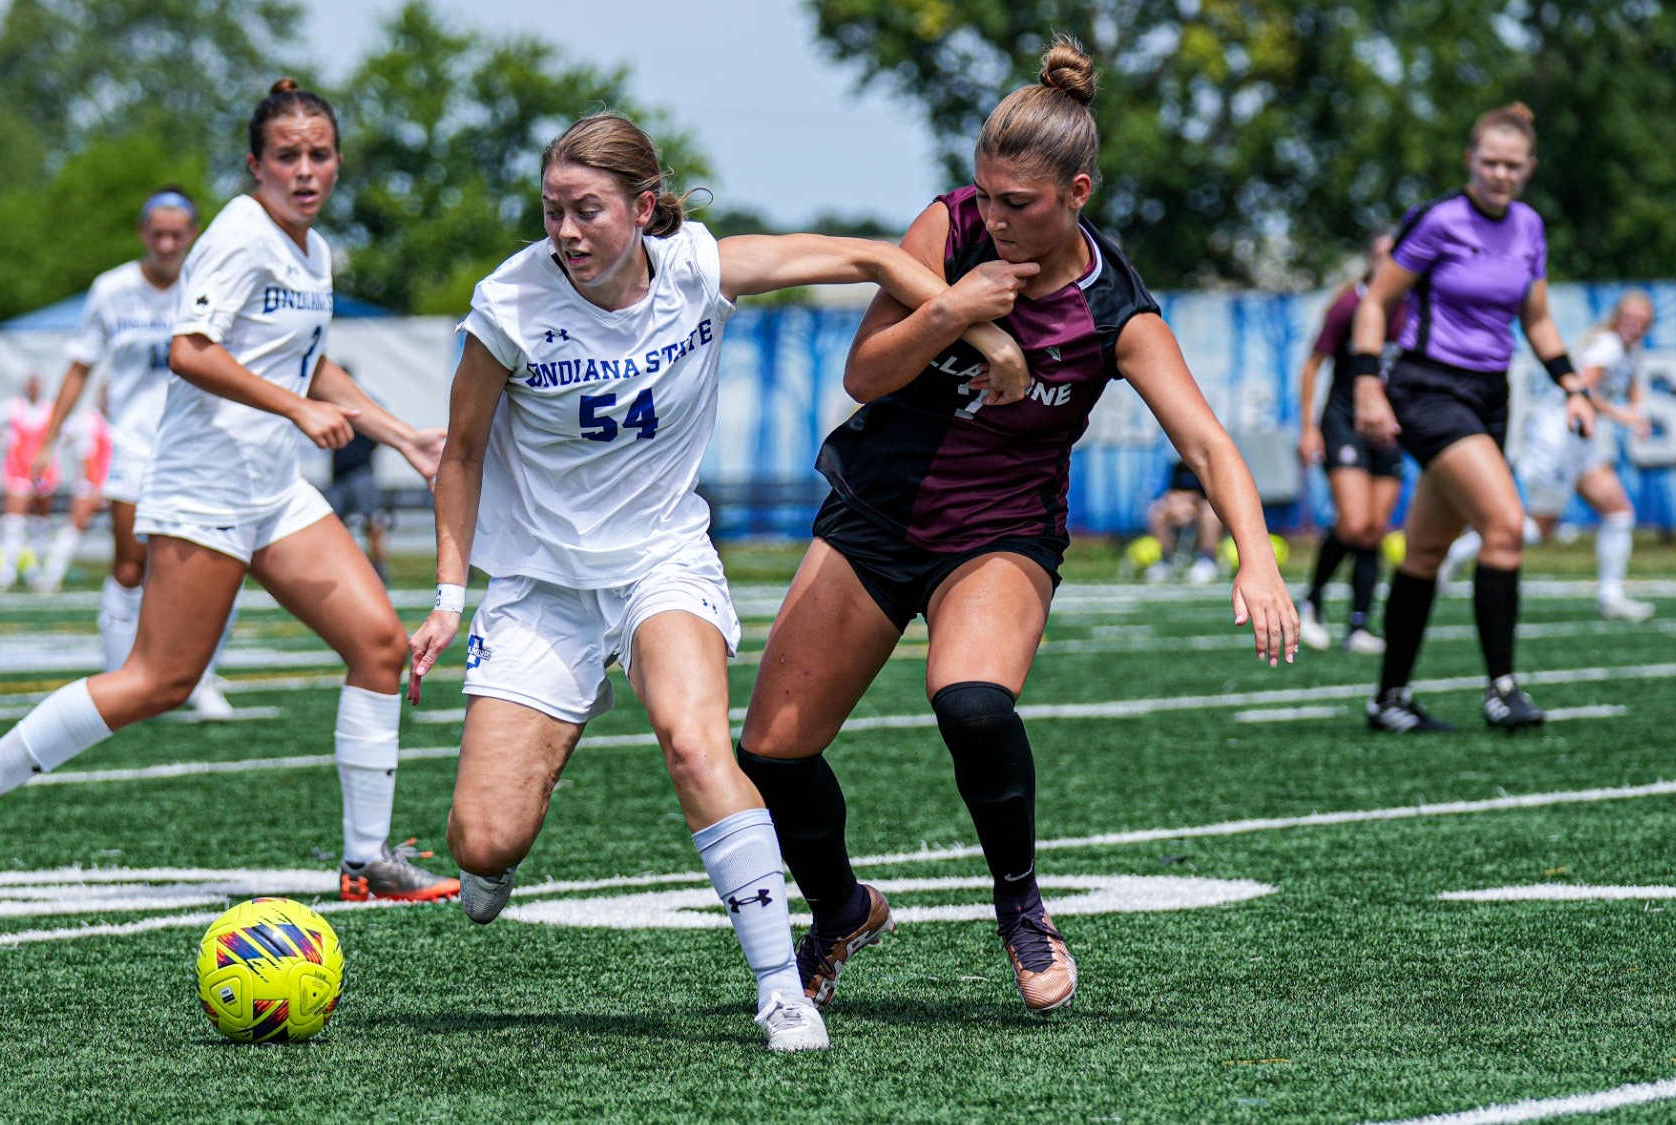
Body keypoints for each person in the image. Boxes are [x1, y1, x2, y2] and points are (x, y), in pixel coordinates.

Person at [406, 111, 1030, 1053]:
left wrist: (983, 336)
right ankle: (539, 755)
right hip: (543, 584)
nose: (566, 233)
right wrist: (449, 596)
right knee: (484, 843)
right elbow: (459, 451)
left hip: (663, 559)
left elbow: (868, 257)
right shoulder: (509, 304)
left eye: (587, 211)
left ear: (644, 208)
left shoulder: (699, 266)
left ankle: (783, 993)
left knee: (699, 746)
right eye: (551, 211)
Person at [728, 38, 1298, 1018]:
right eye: (984, 195)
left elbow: (1204, 442)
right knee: (772, 754)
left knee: (971, 703)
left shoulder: (1115, 309)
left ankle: (1020, 906)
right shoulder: (946, 233)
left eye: (1018, 205)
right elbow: (863, 376)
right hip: (873, 513)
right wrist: (951, 308)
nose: (994, 219)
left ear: (1076, 192)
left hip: (998, 531)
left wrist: (1257, 559)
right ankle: (840, 910)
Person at [0, 79, 453, 907]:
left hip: (272, 489)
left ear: (338, 161)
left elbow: (309, 362)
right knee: (159, 681)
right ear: (255, 165)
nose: (305, 170)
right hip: (204, 485)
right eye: (288, 156)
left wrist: (403, 434)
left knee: (379, 645)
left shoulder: (313, 250)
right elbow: (191, 351)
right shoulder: (240, 235)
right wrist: (296, 408)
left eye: (320, 155)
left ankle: (366, 861)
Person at [1353, 103, 1592, 733]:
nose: (1500, 174)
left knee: (1427, 548)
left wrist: (1571, 384)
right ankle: (1502, 690)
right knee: (1505, 525)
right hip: (1429, 388)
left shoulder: (1530, 228)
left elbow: (1536, 319)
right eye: (1490, 162)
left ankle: (1389, 701)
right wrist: (1367, 384)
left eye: (1513, 165)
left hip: (1491, 394)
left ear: (1529, 168)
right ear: (1471, 160)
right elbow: (1376, 301)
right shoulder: (1439, 219)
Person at [31, 189, 235, 718]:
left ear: (192, 234)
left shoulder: (211, 283)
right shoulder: (112, 290)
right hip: (134, 449)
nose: (167, 244)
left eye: (177, 234)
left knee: (213, 565)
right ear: (144, 233)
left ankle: (201, 676)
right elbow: (80, 365)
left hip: (199, 446)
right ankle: (121, 681)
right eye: (158, 234)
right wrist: (49, 438)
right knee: (130, 565)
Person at [1442, 291, 1657, 621]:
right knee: (1541, 529)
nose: (1634, 326)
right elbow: (1582, 388)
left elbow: (1631, 386)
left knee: (1619, 513)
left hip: (1581, 441)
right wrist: (1623, 415)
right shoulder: (1609, 345)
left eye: (1641, 322)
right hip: (1558, 437)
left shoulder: (1628, 348)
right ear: (1617, 317)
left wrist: (1637, 409)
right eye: (1629, 319)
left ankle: (1611, 596)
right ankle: (1456, 551)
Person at [1297, 234, 1407, 653]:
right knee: (1355, 522)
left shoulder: (1413, 308)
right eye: (1381, 256)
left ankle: (1360, 624)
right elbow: (1312, 366)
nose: (1389, 264)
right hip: (1344, 423)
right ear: (1369, 261)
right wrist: (1308, 428)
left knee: (1375, 529)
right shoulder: (1350, 304)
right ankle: (1313, 600)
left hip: (1388, 429)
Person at [0, 374, 59, 591]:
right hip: (18, 472)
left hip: (45, 473)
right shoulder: (13, 408)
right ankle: (5, 571)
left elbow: (70, 431)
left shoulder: (50, 409)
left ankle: (35, 571)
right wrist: (3, 442)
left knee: (40, 524)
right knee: (13, 522)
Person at [34, 398, 111, 594]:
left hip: (112, 484)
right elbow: (83, 452)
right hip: (90, 485)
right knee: (74, 529)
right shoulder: (87, 419)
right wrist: (95, 485)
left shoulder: (117, 418)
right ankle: (50, 575)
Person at [323, 372, 389, 583]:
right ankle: (339, 567)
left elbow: (380, 432)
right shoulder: (332, 408)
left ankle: (379, 568)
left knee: (372, 522)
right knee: (333, 524)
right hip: (339, 474)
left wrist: (362, 454)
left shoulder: (366, 405)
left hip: (360, 472)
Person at [1146, 460, 1222, 583]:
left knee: (1210, 514)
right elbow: (1171, 492)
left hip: (1204, 505)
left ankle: (1207, 560)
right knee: (1157, 512)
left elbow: (1213, 493)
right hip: (1182, 506)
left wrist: (1193, 501)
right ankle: (1165, 560)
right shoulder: (1178, 468)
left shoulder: (1208, 465)